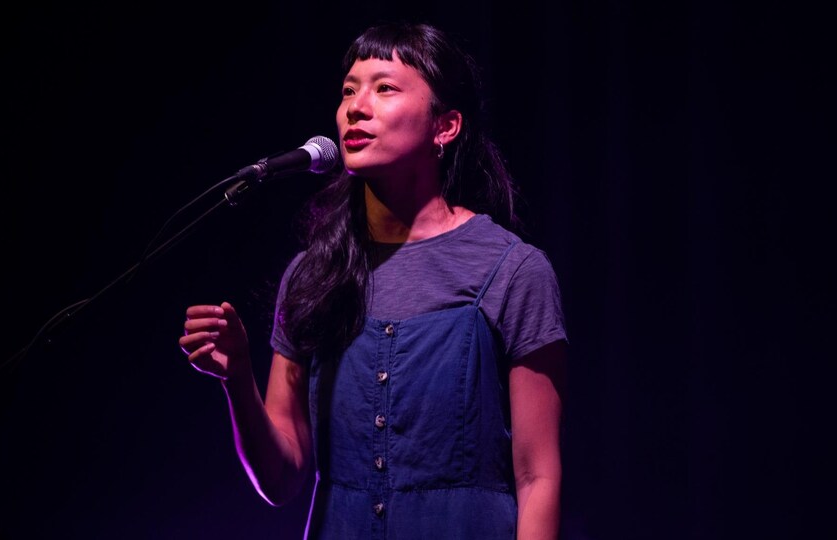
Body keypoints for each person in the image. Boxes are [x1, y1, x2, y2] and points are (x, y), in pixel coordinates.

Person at [179, 22, 568, 539]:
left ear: (445, 127)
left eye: (384, 88)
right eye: (348, 91)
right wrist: (238, 382)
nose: (355, 108)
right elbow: (280, 479)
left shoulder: (513, 270)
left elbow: (537, 475)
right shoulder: (312, 276)